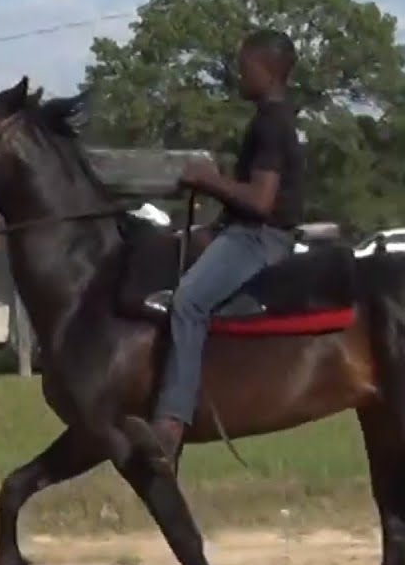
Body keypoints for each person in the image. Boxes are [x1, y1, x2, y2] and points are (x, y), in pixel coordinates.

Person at [123, 28, 305, 475]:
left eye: (244, 66)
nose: (238, 74)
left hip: (259, 238)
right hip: (247, 233)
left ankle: (170, 424)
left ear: (265, 69)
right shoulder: (279, 119)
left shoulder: (270, 124)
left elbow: (261, 201)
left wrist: (208, 180)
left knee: (188, 301)